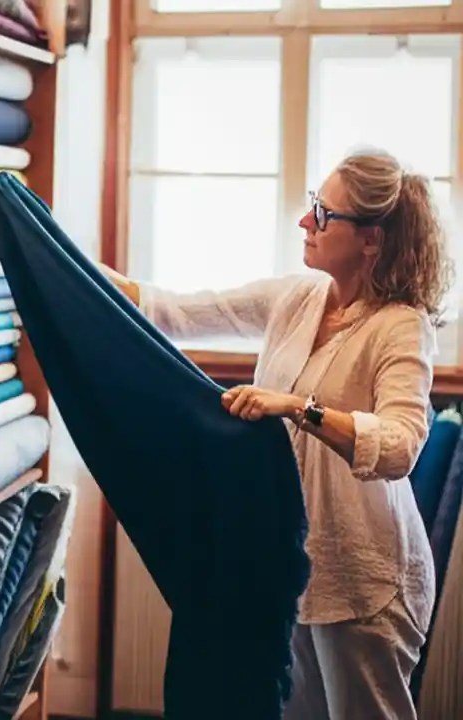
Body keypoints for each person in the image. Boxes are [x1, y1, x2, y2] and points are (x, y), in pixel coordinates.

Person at [102, 149, 453, 719]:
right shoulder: (299, 297)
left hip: (367, 581)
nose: (305, 221)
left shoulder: (402, 328)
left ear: (372, 240)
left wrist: (297, 408)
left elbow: (400, 446)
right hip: (299, 569)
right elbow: (178, 309)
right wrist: (60, 254)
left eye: (323, 212)